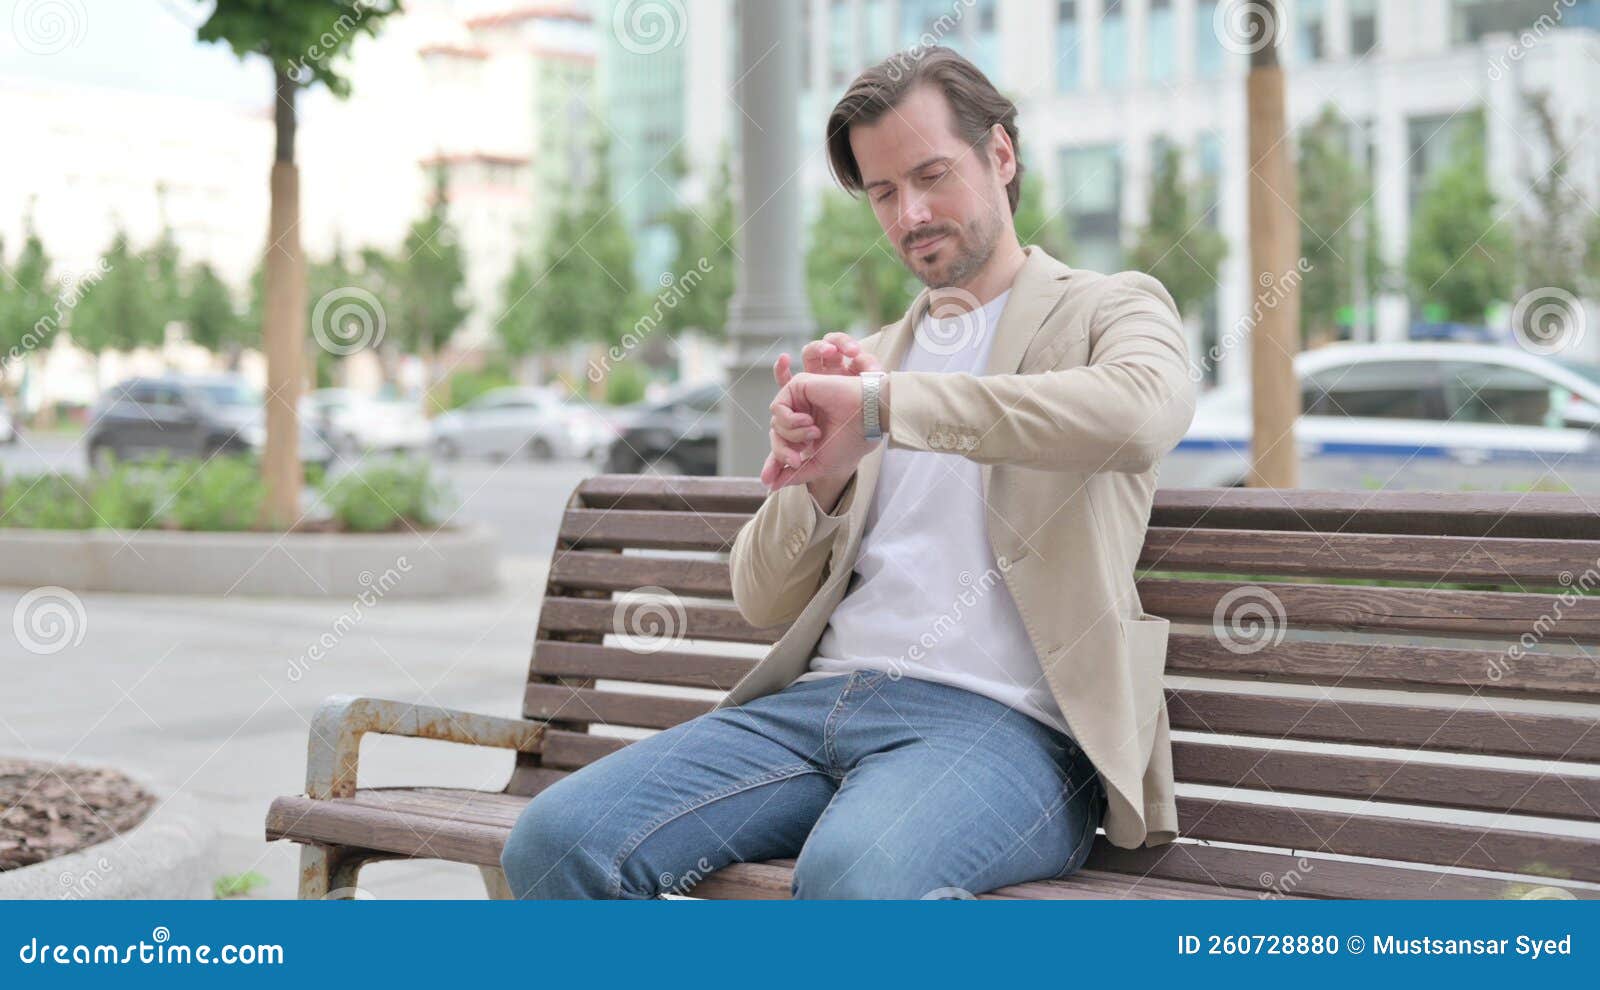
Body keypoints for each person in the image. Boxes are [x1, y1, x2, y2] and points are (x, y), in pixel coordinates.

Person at [501, 45, 1196, 900]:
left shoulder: (1107, 307)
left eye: (932, 175)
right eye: (883, 193)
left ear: (1002, 154)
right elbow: (760, 596)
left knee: (853, 883)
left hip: (1008, 731)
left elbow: (1140, 413)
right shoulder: (869, 362)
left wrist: (888, 406)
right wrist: (821, 481)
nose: (911, 213)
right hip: (812, 710)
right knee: (555, 841)